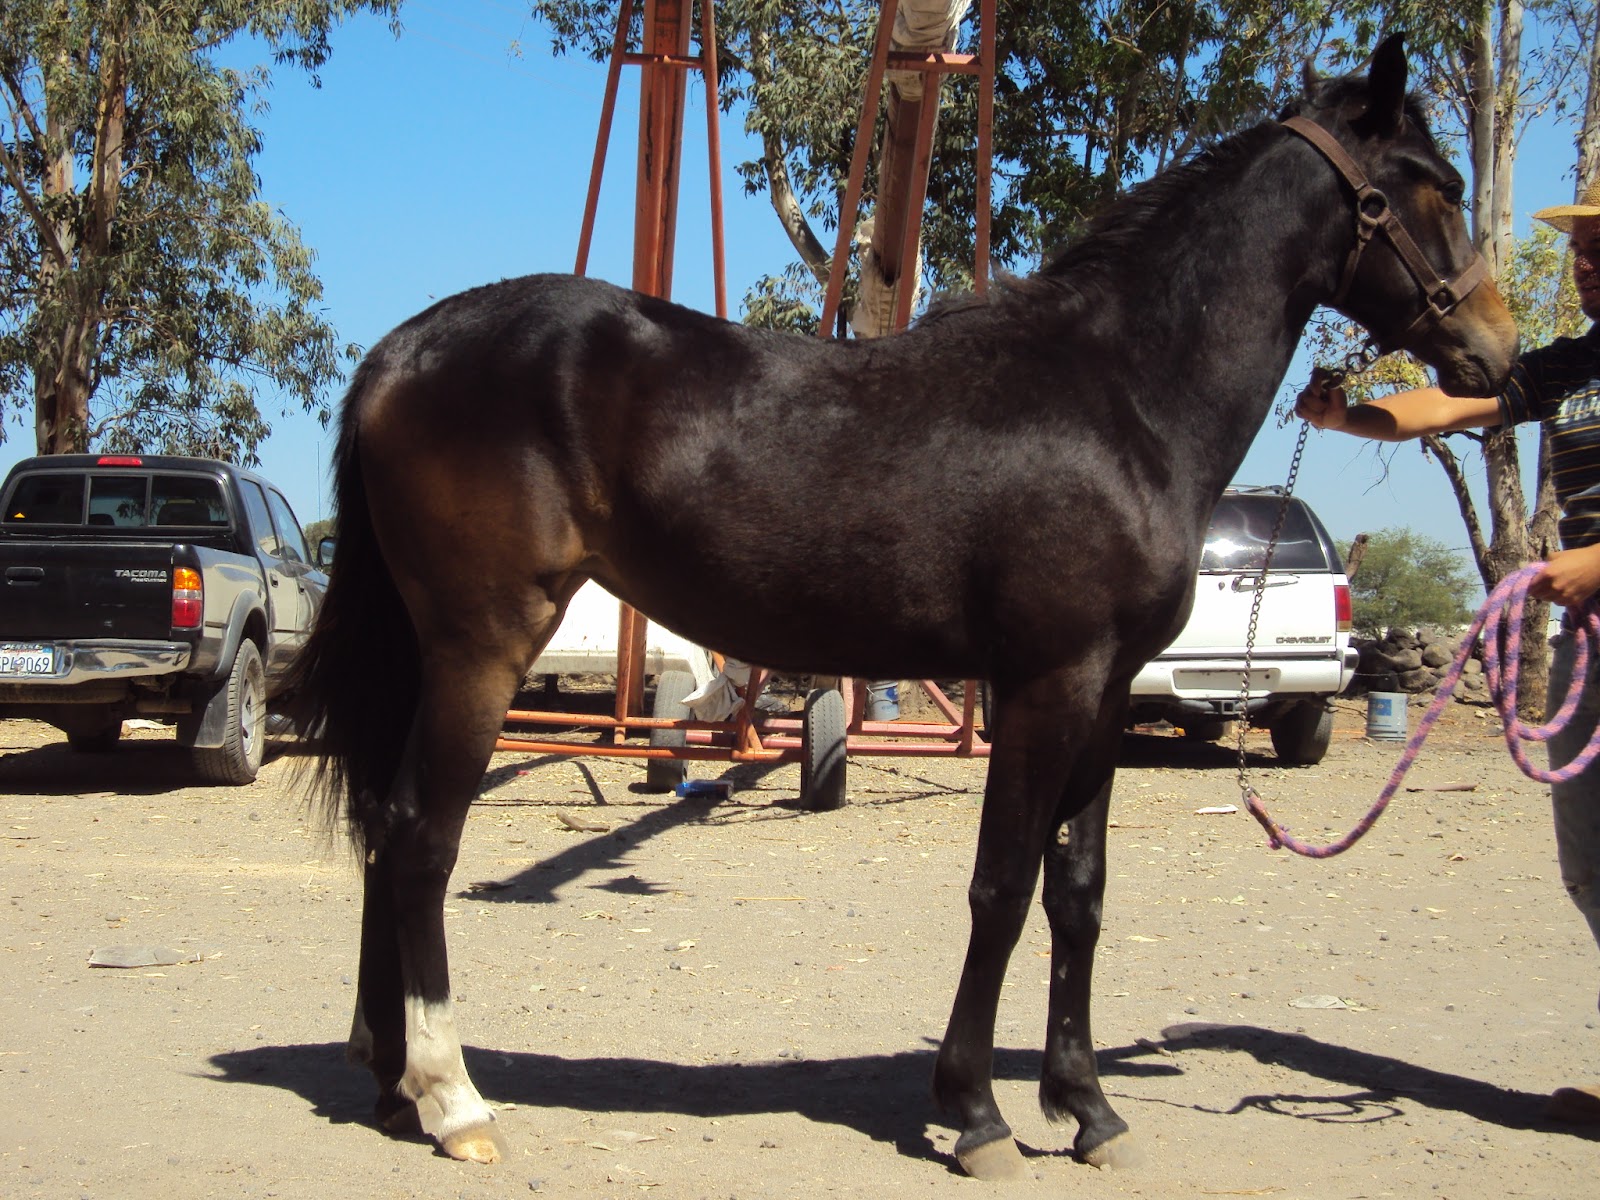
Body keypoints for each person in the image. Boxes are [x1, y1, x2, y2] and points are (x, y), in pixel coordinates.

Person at [1295, 177, 1600, 1123]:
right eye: (1582, 250)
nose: (1586, 265)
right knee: (1589, 861)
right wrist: (1350, 417)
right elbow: (1457, 406)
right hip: (1588, 633)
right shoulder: (1578, 364)